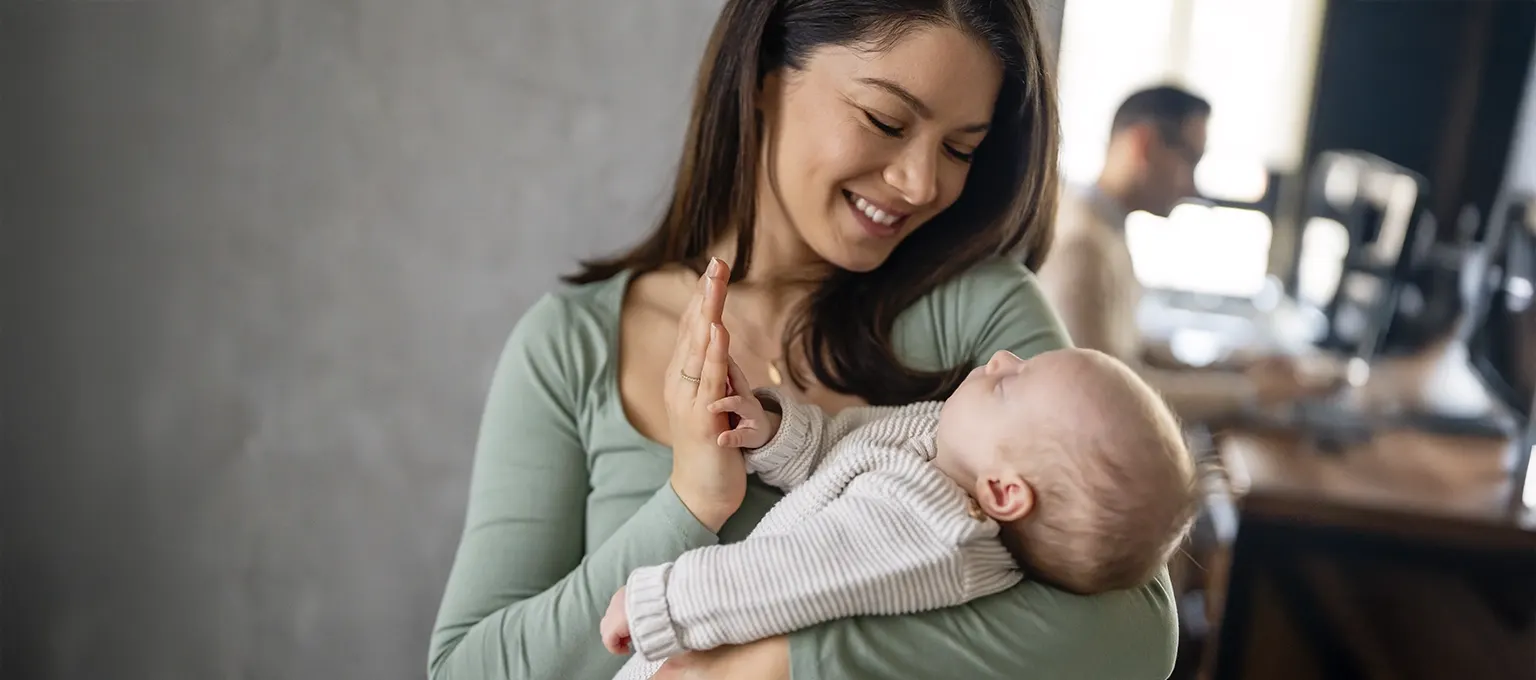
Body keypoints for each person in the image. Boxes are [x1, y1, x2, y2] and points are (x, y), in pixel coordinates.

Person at [427, 2, 1180, 679]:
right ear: (762, 74)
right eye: (886, 121)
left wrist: (781, 666)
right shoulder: (577, 345)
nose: (922, 183)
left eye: (959, 149)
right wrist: (690, 502)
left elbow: (1136, 636)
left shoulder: (977, 315)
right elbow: (467, 668)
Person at [598, 337, 1196, 680]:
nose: (1004, 358)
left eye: (1014, 383)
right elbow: (842, 447)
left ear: (1005, 493)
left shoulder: (933, 532)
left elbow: (790, 575)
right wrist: (772, 432)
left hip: (701, 639)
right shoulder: (944, 442)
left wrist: (664, 600)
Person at [1036, 85, 1332, 423]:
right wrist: (1251, 392)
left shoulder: (1105, 227)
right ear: (1144, 144)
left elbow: (1128, 353)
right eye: (1190, 159)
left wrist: (1235, 367)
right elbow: (1107, 395)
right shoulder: (1082, 245)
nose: (1192, 186)